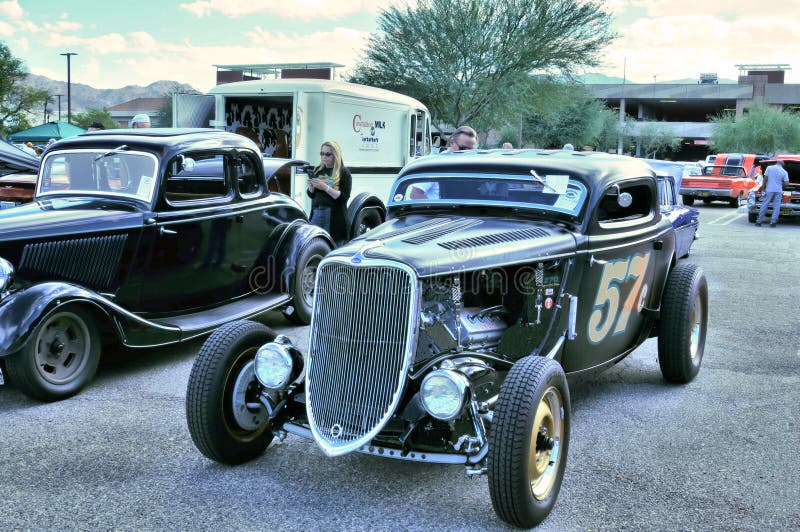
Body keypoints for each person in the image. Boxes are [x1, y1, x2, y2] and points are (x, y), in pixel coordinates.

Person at [307, 141, 352, 244]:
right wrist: (311, 187)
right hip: (316, 214)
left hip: (335, 220)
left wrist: (325, 187)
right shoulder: (318, 170)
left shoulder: (344, 172)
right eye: (322, 153)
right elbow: (312, 195)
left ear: (335, 155)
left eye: (328, 154)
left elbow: (343, 198)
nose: (324, 157)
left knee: (334, 249)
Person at [755, 159, 789, 227]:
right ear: (782, 165)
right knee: (776, 207)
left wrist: (763, 189)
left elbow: (765, 179)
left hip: (769, 190)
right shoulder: (784, 171)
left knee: (764, 205)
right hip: (778, 191)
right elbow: (786, 183)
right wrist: (780, 183)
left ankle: (759, 222)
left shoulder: (769, 168)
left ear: (776, 163)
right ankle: (773, 223)